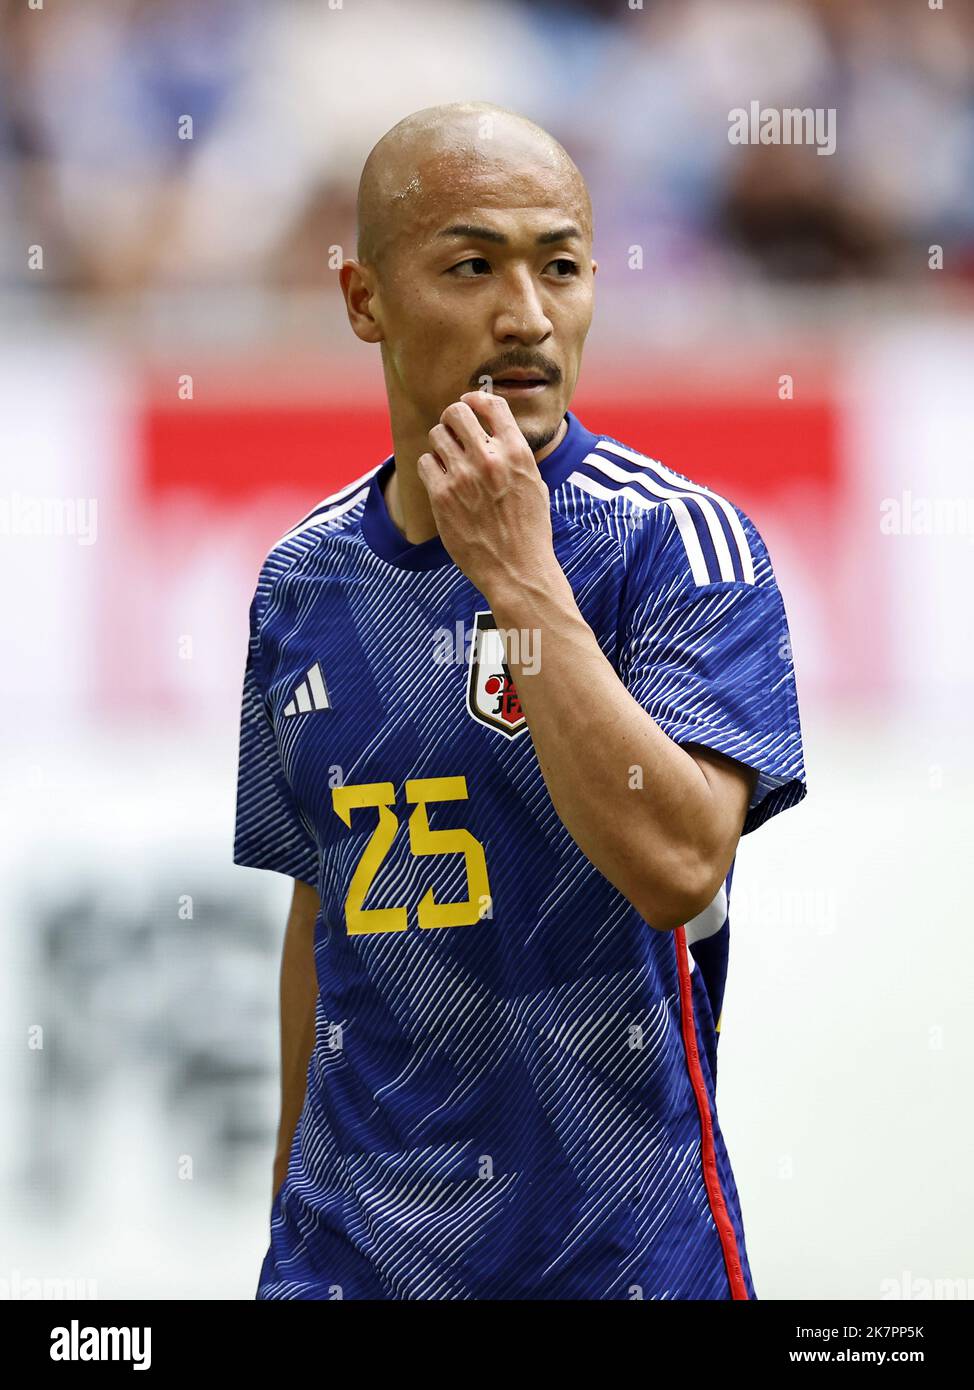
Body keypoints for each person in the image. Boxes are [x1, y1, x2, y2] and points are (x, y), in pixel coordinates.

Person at [233, 101, 807, 1300]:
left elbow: (679, 864)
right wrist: (286, 1215)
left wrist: (518, 578)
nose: (527, 316)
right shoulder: (299, 581)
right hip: (350, 1265)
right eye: (471, 267)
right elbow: (320, 911)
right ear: (363, 300)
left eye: (559, 267)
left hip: (616, 1262)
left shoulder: (674, 543)